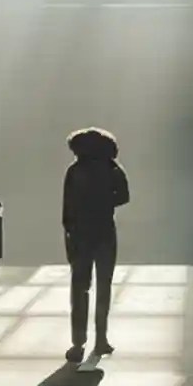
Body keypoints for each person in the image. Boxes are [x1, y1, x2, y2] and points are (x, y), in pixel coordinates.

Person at [61, 127, 130, 363]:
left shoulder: (75, 170)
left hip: (80, 233)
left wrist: (69, 235)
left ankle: (78, 343)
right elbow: (124, 196)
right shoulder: (112, 169)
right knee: (104, 285)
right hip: (104, 231)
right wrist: (104, 201)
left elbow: (67, 209)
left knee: (79, 287)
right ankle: (101, 339)